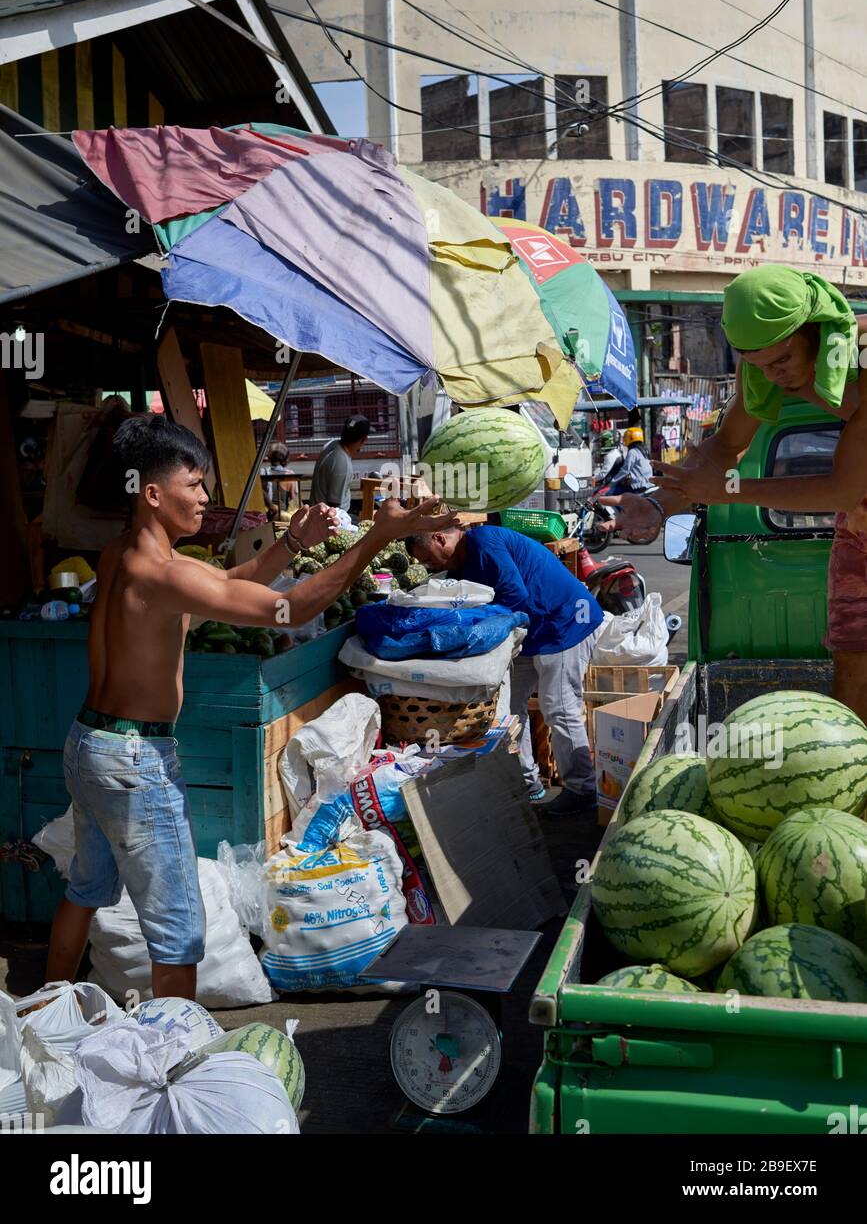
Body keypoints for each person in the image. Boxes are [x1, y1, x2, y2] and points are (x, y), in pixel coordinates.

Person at [45, 414, 456, 998]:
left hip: (90, 744)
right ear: (154, 493)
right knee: (179, 930)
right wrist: (378, 538)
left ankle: (47, 1007)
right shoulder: (162, 572)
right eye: (195, 485)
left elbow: (230, 579)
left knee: (86, 890)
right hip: (135, 763)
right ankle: (176, 1058)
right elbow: (289, 609)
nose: (205, 498)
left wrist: (291, 544)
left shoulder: (122, 556)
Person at [602, 264, 867, 721]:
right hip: (859, 527)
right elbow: (725, 447)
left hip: (853, 498)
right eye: (757, 364)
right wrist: (657, 504)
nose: (772, 376)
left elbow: (843, 489)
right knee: (852, 660)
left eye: (780, 362)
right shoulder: (765, 363)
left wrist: (731, 491)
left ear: (811, 332)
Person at [408, 523, 604, 815]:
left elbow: (515, 595)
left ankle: (583, 789)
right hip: (530, 632)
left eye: (427, 557)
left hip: (564, 622)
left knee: (558, 707)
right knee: (509, 709)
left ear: (439, 538)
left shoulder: (485, 542)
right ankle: (527, 784)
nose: (428, 565)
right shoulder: (458, 565)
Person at [309, 415, 370, 512]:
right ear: (364, 440)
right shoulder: (342, 464)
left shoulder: (331, 444)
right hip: (329, 519)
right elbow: (333, 507)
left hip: (318, 513)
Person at [609, 426, 654, 493]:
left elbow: (625, 470)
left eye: (625, 437)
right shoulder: (644, 450)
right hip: (649, 483)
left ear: (630, 438)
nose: (624, 439)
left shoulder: (632, 452)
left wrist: (612, 482)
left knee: (614, 492)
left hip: (639, 486)